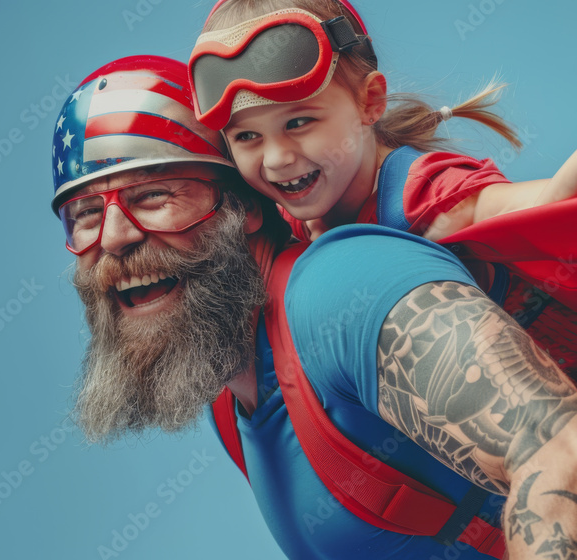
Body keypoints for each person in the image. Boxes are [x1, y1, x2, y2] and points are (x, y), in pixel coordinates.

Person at [50, 54, 577, 558]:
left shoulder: (339, 288)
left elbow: (562, 453)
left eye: (152, 197)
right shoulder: (225, 384)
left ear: (244, 206)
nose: (114, 237)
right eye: (86, 213)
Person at [187, 0, 577, 376]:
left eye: (298, 123)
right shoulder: (278, 216)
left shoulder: (426, 198)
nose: (276, 159)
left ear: (370, 101)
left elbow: (549, 202)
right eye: (248, 136)